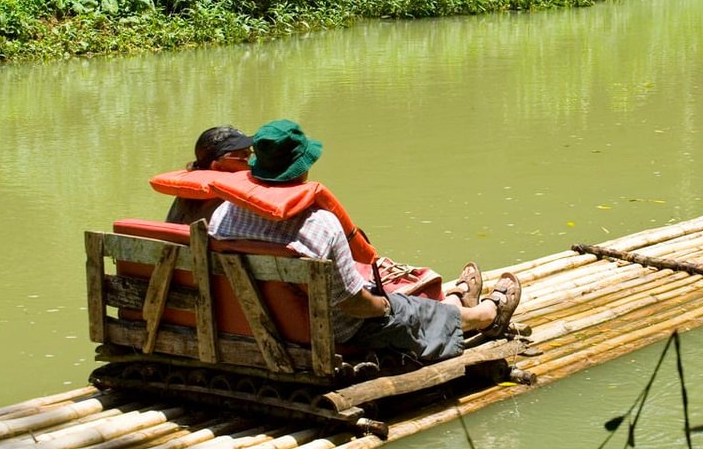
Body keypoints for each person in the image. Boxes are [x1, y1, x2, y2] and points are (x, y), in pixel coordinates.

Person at [208, 119, 521, 363]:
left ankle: (454, 302)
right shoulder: (321, 224)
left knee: (405, 306)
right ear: (302, 169)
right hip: (326, 332)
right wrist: (384, 306)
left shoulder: (222, 214)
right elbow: (355, 306)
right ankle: (486, 316)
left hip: (257, 326)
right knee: (403, 311)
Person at [163, 125, 253, 224]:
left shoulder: (188, 192)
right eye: (245, 155)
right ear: (217, 166)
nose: (252, 161)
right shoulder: (231, 200)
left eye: (251, 152)